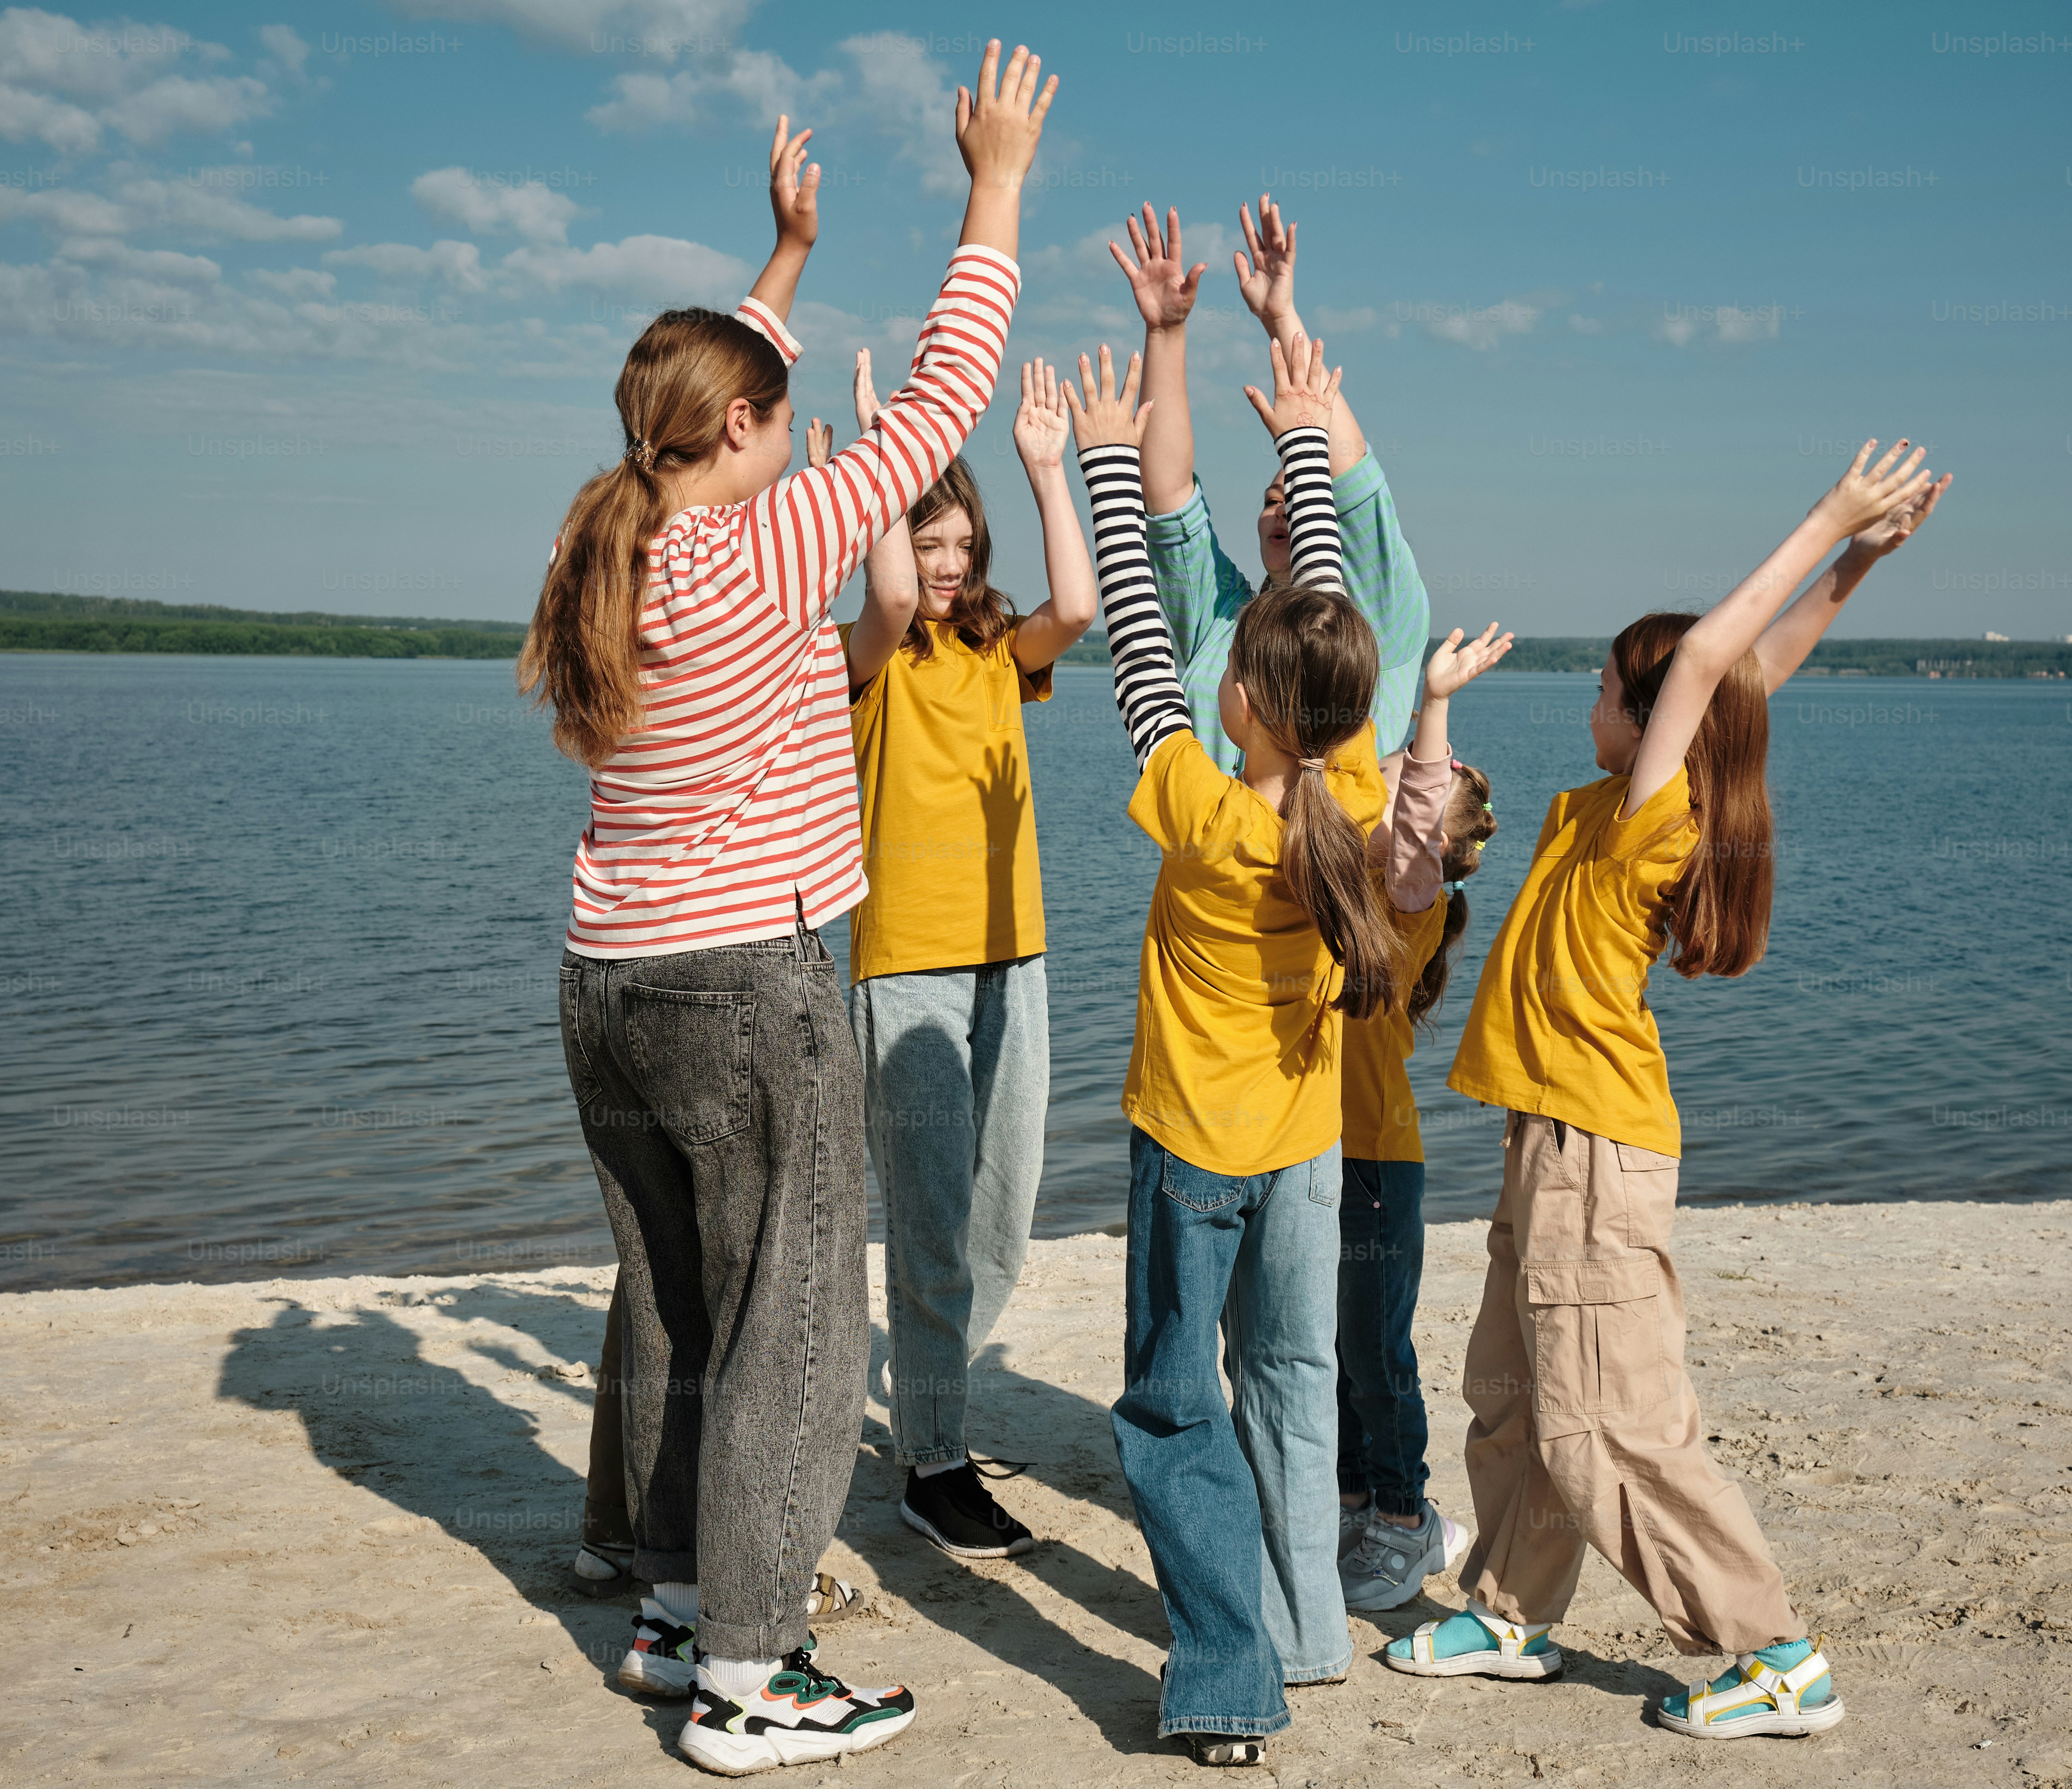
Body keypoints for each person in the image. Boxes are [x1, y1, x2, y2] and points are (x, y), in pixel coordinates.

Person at [522, 45, 1052, 1776]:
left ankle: (681, 1596)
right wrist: (993, 188)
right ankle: (751, 1669)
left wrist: (789, 263)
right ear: (746, 432)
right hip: (747, 983)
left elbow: (705, 401)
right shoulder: (767, 542)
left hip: (607, 985)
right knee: (801, 1315)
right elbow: (944, 398)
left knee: (679, 1300)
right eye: (763, 407)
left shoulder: (609, 547)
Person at [1386, 443, 1950, 1747]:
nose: (1590, 702)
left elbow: (1708, 669)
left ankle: (1770, 1654)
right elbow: (1751, 675)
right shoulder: (1598, 806)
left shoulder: (1658, 816)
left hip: (1598, 1149)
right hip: (1550, 1139)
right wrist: (1857, 569)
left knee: (1610, 1429)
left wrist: (1826, 515)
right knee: (1517, 1394)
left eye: (1603, 690)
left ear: (1650, 724)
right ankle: (1513, 1613)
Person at [1072, 332, 1507, 1767]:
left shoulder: (1205, 808)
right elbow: (1326, 607)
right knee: (1292, 1380)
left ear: (1242, 706)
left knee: (1171, 1401)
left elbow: (1139, 626)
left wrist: (1093, 464)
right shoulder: (1371, 799)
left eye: (1231, 689)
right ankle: (1313, 1630)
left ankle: (1231, 1665)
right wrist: (1310, 441)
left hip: (1194, 1152)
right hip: (1310, 1157)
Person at [836, 353, 1098, 1559]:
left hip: (1016, 961)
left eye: (957, 546)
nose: (942, 567)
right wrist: (887, 457)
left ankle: (925, 1406)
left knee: (1002, 1215)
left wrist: (1050, 470)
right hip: (911, 967)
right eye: (925, 542)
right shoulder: (878, 663)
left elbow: (1081, 610)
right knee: (934, 1217)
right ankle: (931, 1461)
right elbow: (885, 595)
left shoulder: (1001, 654)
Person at [1112, 196, 1430, 789]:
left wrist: (1282, 319)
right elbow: (1168, 501)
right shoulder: (1224, 617)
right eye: (1267, 499)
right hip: (1211, 876)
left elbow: (1351, 477)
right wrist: (1165, 332)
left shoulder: (1383, 612)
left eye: (1297, 494)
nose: (1281, 508)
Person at [1333, 737, 1503, 1610]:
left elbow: (1403, 850)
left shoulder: (1410, 897)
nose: (1378, 784)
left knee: (1375, 1353)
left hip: (1374, 1156)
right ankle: (1353, 1501)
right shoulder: (1352, 876)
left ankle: (1409, 1518)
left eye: (1403, 783)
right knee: (1334, 1347)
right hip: (1322, 1148)